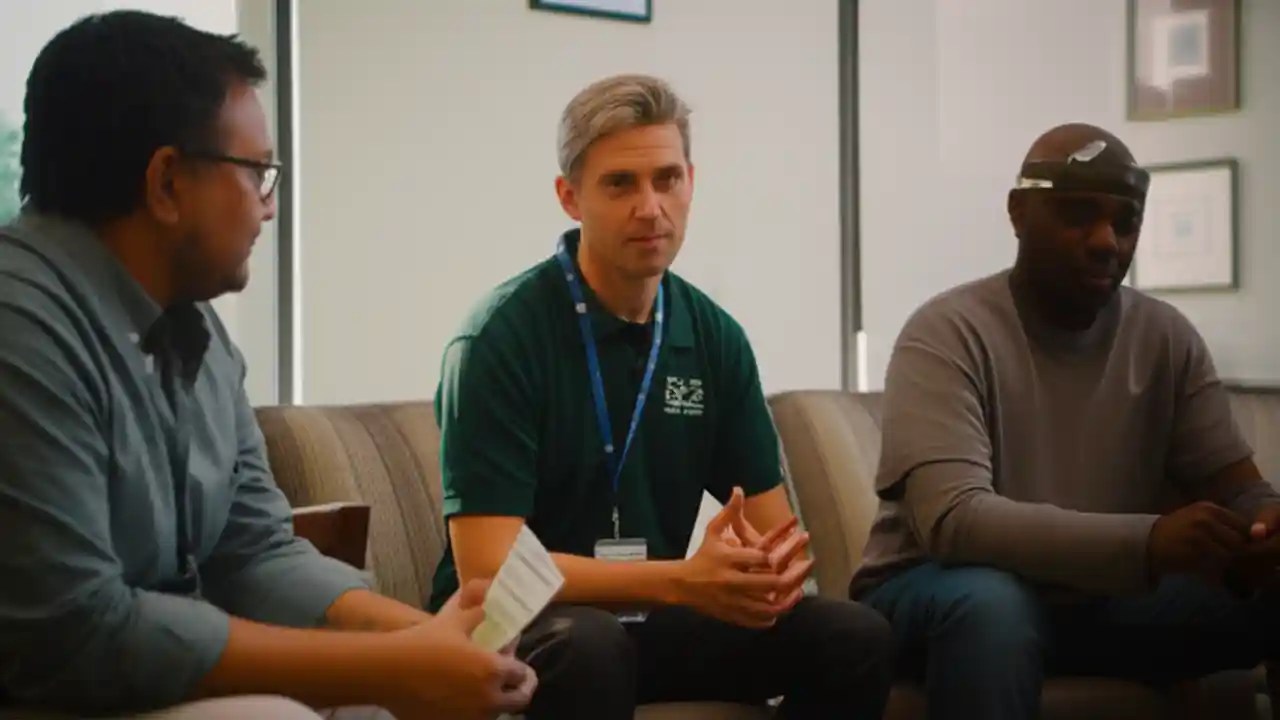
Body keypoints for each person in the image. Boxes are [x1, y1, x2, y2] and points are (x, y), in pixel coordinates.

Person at [0, 11, 534, 720]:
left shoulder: (200, 335)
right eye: (258, 173)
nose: (270, 206)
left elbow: (253, 553)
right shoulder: (21, 322)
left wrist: (421, 638)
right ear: (165, 182)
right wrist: (388, 665)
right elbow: (77, 634)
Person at [431, 72, 895, 720]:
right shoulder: (500, 338)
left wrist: (762, 571)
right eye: (620, 183)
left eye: (667, 179)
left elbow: (779, 537)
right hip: (513, 623)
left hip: (652, 618)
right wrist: (682, 581)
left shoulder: (712, 337)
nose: (650, 207)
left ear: (691, 183)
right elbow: (489, 570)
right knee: (587, 645)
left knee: (855, 638)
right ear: (570, 197)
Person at [852, 122, 1280, 720]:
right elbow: (956, 522)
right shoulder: (947, 331)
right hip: (938, 592)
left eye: (1125, 221)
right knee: (993, 605)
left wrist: (1262, 524)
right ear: (1019, 212)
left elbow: (1238, 487)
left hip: (1100, 602)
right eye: (1078, 214)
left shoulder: (1167, 338)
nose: (1107, 240)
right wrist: (1149, 543)